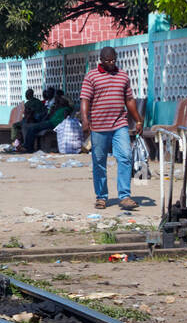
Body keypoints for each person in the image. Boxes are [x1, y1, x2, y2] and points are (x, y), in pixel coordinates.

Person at [80, 47, 143, 210]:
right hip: (99, 126)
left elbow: (129, 99)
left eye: (113, 60)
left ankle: (125, 196)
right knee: (99, 162)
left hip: (119, 124)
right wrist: (85, 120)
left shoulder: (122, 76)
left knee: (125, 156)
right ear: (101, 60)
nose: (111, 63)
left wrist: (138, 120)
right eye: (108, 60)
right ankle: (101, 197)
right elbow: (85, 99)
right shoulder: (91, 76)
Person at [21, 89, 75, 153]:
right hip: (49, 122)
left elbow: (66, 118)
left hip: (53, 124)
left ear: (66, 102)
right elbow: (49, 115)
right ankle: (27, 146)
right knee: (30, 127)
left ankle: (28, 148)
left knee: (32, 128)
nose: (60, 101)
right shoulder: (58, 108)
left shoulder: (66, 109)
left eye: (62, 100)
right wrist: (53, 110)